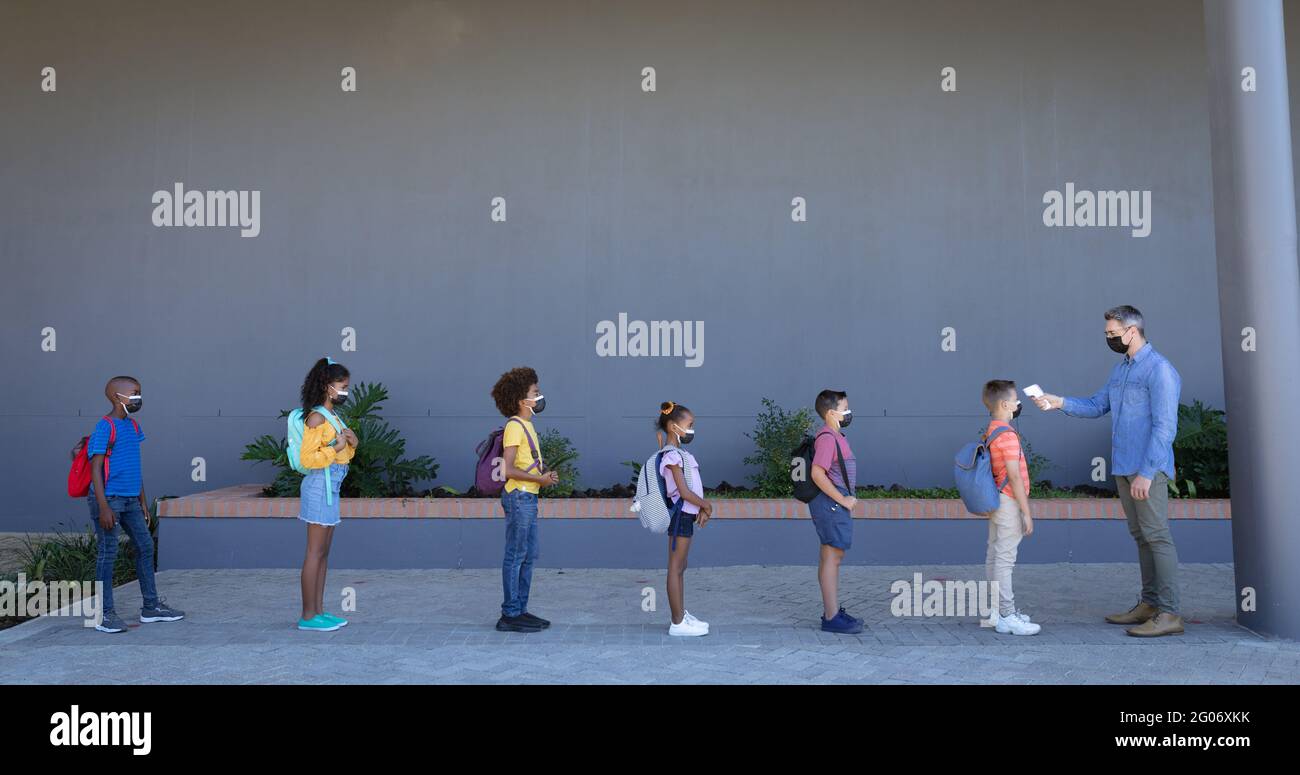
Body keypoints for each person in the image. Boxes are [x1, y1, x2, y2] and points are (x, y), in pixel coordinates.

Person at [1032, 305, 1184, 637]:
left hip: (1147, 469)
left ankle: (1170, 614)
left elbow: (1165, 428)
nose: (1109, 338)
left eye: (1113, 334)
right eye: (1106, 334)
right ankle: (1150, 604)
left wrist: (1146, 473)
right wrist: (1059, 402)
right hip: (1124, 466)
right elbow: (1098, 405)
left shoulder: (1160, 371)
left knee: (1157, 536)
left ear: (1133, 331)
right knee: (1141, 536)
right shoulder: (1121, 370)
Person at [85, 376, 184, 634]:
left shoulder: (133, 426)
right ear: (118, 397)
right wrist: (104, 505)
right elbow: (95, 467)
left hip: (130, 501)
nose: (139, 398)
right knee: (108, 554)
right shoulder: (105, 426)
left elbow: (133, 466)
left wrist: (142, 501)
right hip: (110, 500)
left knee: (145, 546)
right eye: (135, 393)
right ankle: (103, 614)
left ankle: (151, 607)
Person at [491, 366, 559, 633]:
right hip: (519, 497)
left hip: (528, 497)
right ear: (522, 401)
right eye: (535, 393)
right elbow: (506, 469)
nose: (540, 397)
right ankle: (509, 614)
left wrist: (544, 474)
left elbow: (526, 463)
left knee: (529, 555)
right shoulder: (514, 427)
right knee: (516, 555)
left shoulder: (527, 426)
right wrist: (538, 480)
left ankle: (520, 609)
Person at [296, 357, 358, 632]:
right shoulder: (317, 417)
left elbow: (339, 453)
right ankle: (308, 615)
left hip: (331, 486)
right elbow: (308, 458)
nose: (345, 392)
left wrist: (351, 445)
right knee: (314, 552)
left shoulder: (332, 416)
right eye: (341, 386)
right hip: (320, 487)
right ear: (327, 386)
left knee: (323, 554)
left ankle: (318, 611)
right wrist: (336, 448)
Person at [980, 380, 1039, 636]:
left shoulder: (991, 430)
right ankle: (1007, 614)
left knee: (994, 555)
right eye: (1015, 400)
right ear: (1005, 404)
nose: (1018, 404)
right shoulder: (1007, 434)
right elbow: (1014, 476)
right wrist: (1026, 511)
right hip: (1008, 501)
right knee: (1005, 560)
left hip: (996, 500)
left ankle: (995, 612)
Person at [655, 401, 712, 636]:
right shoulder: (671, 455)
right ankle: (677, 622)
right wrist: (706, 505)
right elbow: (685, 492)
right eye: (689, 425)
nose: (691, 430)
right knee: (675, 567)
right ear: (672, 426)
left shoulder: (679, 453)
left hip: (687, 514)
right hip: (681, 515)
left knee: (681, 566)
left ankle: (681, 614)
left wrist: (699, 507)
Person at [808, 389, 862, 634]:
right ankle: (831, 617)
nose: (848, 412)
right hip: (832, 504)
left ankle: (832, 611)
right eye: (845, 408)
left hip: (833, 504)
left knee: (831, 556)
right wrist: (843, 499)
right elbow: (817, 473)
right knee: (832, 557)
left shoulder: (835, 436)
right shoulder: (828, 438)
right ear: (831, 413)